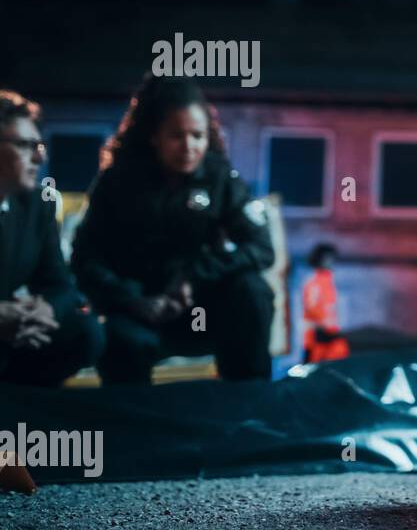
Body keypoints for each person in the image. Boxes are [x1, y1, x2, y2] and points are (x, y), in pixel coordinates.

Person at [71, 75, 275, 385]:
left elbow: (261, 248)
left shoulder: (221, 179)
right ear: (154, 135)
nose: (189, 147)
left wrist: (193, 278)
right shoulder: (118, 183)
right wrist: (133, 299)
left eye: (198, 135)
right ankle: (130, 427)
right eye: (176, 136)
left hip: (200, 313)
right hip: (138, 315)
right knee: (119, 339)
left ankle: (249, 407)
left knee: (253, 290)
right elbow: (85, 258)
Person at [0, 90, 104, 387]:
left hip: (15, 337)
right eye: (24, 145)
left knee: (84, 331)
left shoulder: (37, 205)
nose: (39, 156)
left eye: (39, 145)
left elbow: (60, 285)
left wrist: (42, 310)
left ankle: (26, 413)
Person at [301, 242, 349, 364]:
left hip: (331, 334)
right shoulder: (313, 280)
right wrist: (324, 324)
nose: (330, 262)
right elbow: (311, 306)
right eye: (327, 259)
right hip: (317, 336)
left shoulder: (330, 280)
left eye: (332, 259)